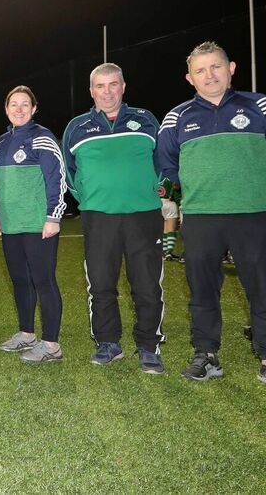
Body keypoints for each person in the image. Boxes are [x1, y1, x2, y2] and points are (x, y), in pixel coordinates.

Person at [156, 41, 266, 395]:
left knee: (263, 290)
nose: (210, 75)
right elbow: (166, 168)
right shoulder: (177, 117)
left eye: (216, 66)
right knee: (203, 292)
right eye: (201, 70)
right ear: (190, 78)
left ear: (231, 67)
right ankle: (206, 354)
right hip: (202, 218)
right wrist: (179, 208)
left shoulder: (263, 106)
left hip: (254, 216)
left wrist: (251, 181)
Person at [61, 62, 166, 374]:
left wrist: (153, 188)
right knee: (101, 283)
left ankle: (149, 346)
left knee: (147, 285)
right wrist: (89, 197)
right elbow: (68, 169)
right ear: (91, 91)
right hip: (98, 217)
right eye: (100, 86)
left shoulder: (145, 120)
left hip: (143, 215)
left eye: (113, 85)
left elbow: (163, 160)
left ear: (123, 86)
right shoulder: (77, 127)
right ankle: (108, 343)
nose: (107, 92)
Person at [0, 86, 66, 363]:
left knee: (43, 281)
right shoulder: (1, 143)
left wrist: (53, 216)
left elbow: (56, 178)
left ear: (34, 109)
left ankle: (51, 345)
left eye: (25, 104)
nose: (19, 109)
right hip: (11, 225)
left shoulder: (43, 138)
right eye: (14, 104)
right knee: (20, 281)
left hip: (38, 224)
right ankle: (26, 334)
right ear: (7, 108)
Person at [160, 178, 183, 262]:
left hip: (160, 203)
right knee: (171, 229)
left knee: (165, 228)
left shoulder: (158, 175)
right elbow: (176, 186)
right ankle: (169, 252)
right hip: (170, 202)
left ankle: (164, 252)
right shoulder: (170, 175)